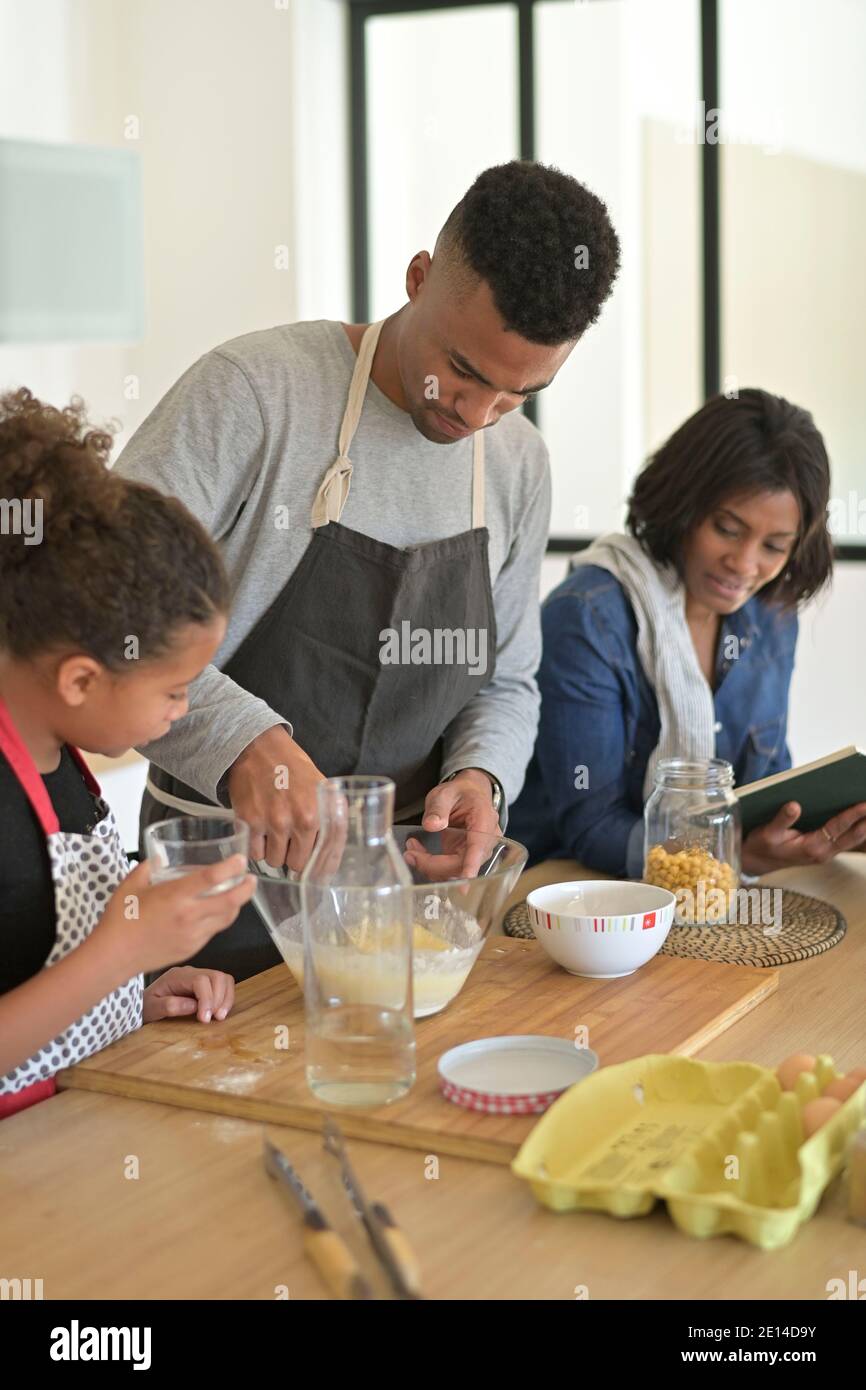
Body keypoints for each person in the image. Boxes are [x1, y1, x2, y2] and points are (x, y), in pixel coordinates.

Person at [114, 159, 621, 979]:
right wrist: (246, 742)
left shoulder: (518, 466)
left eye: (516, 395)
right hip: (214, 889)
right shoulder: (253, 394)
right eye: (463, 371)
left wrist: (482, 777)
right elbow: (104, 613)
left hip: (405, 899)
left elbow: (509, 679)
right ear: (418, 277)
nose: (476, 414)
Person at [0, 390, 255, 1119]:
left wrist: (128, 1000)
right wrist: (119, 954)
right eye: (175, 690)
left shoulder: (63, 758)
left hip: (68, 1129)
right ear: (81, 678)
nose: (183, 711)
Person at [509, 389, 866, 879]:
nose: (744, 565)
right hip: (574, 889)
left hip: (720, 890)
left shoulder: (771, 618)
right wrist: (726, 855)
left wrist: (826, 828)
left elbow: (770, 787)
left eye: (774, 546)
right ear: (683, 503)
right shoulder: (587, 619)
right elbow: (591, 827)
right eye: (727, 528)